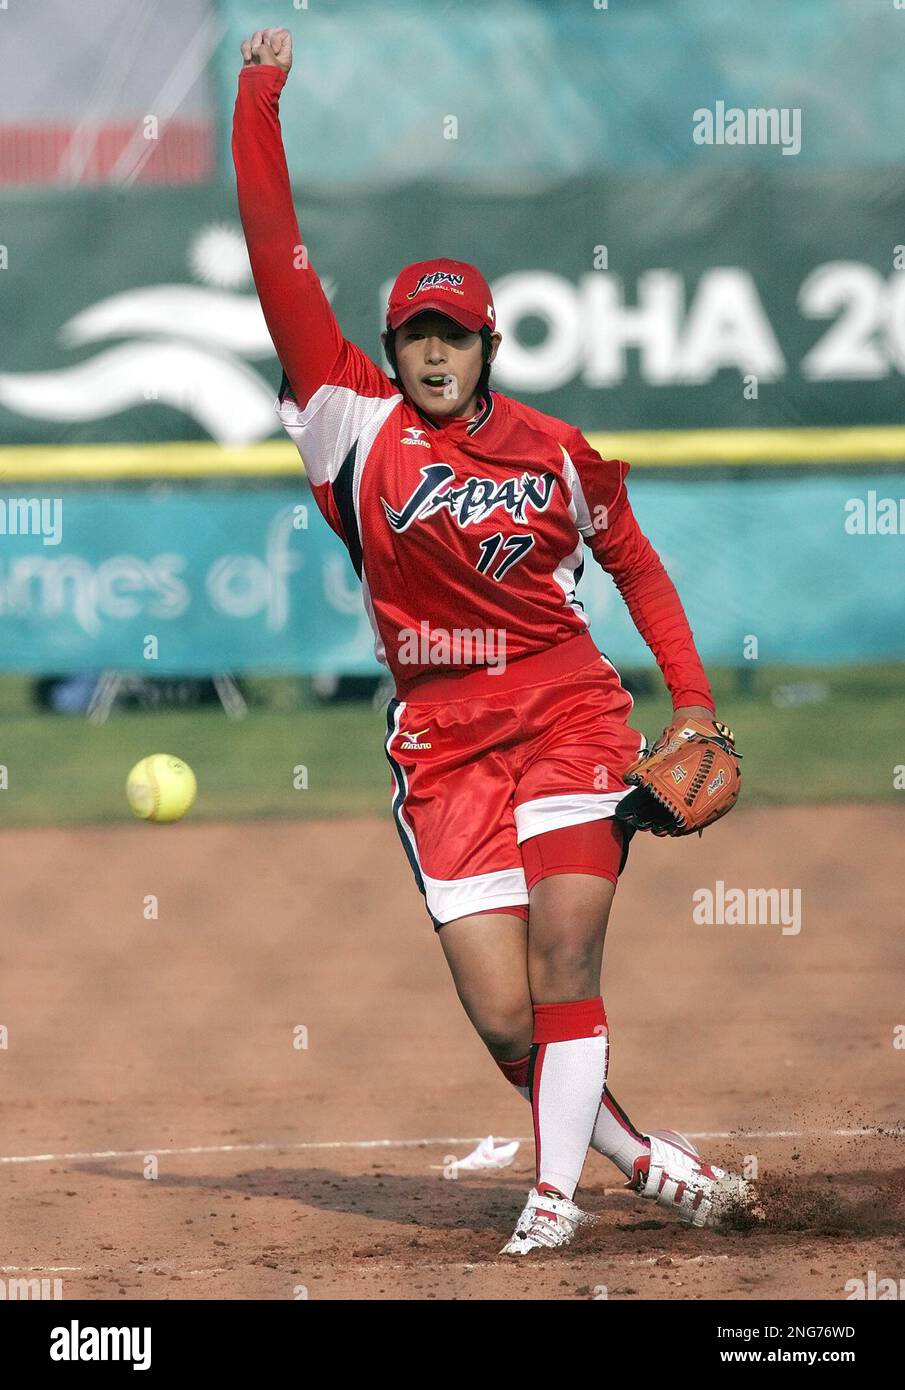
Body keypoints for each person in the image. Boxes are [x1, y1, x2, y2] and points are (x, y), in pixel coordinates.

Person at [232, 27, 752, 1255]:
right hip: (442, 739)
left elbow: (632, 559)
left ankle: (552, 1197)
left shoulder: (554, 450)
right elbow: (273, 258)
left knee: (567, 950)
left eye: (450, 334)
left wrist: (685, 698)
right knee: (506, 1017)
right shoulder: (347, 421)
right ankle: (638, 1154)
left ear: (487, 347)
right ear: (391, 340)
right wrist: (259, 99)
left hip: (567, 709)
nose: (428, 349)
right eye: (413, 330)